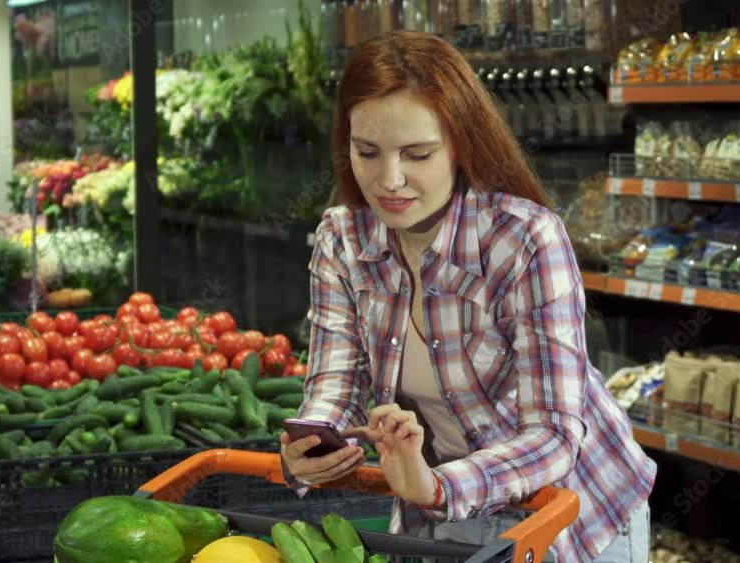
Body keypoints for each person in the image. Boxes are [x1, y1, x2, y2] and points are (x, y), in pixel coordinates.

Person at [280, 31, 656, 563]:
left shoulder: (523, 238)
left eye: (418, 154)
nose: (390, 180)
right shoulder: (343, 239)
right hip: (439, 511)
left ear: (462, 142)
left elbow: (552, 435)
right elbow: (335, 385)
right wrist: (313, 442)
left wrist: (437, 487)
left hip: (570, 510)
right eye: (367, 152)